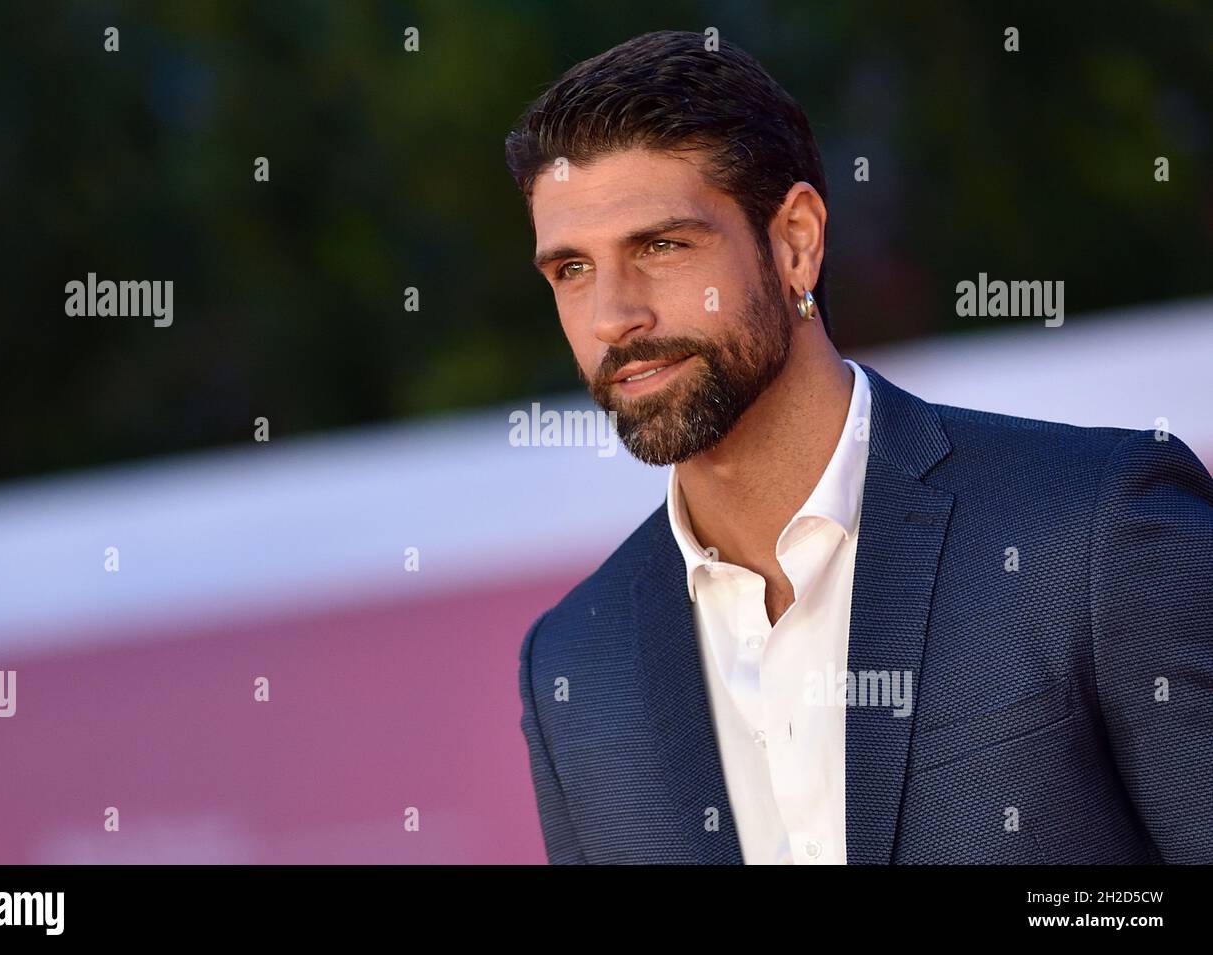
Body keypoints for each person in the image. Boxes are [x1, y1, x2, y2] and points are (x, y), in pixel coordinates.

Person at [504, 30, 1213, 864]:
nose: (612, 317)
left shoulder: (1093, 528)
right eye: (572, 270)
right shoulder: (574, 669)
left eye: (661, 246)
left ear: (796, 240)